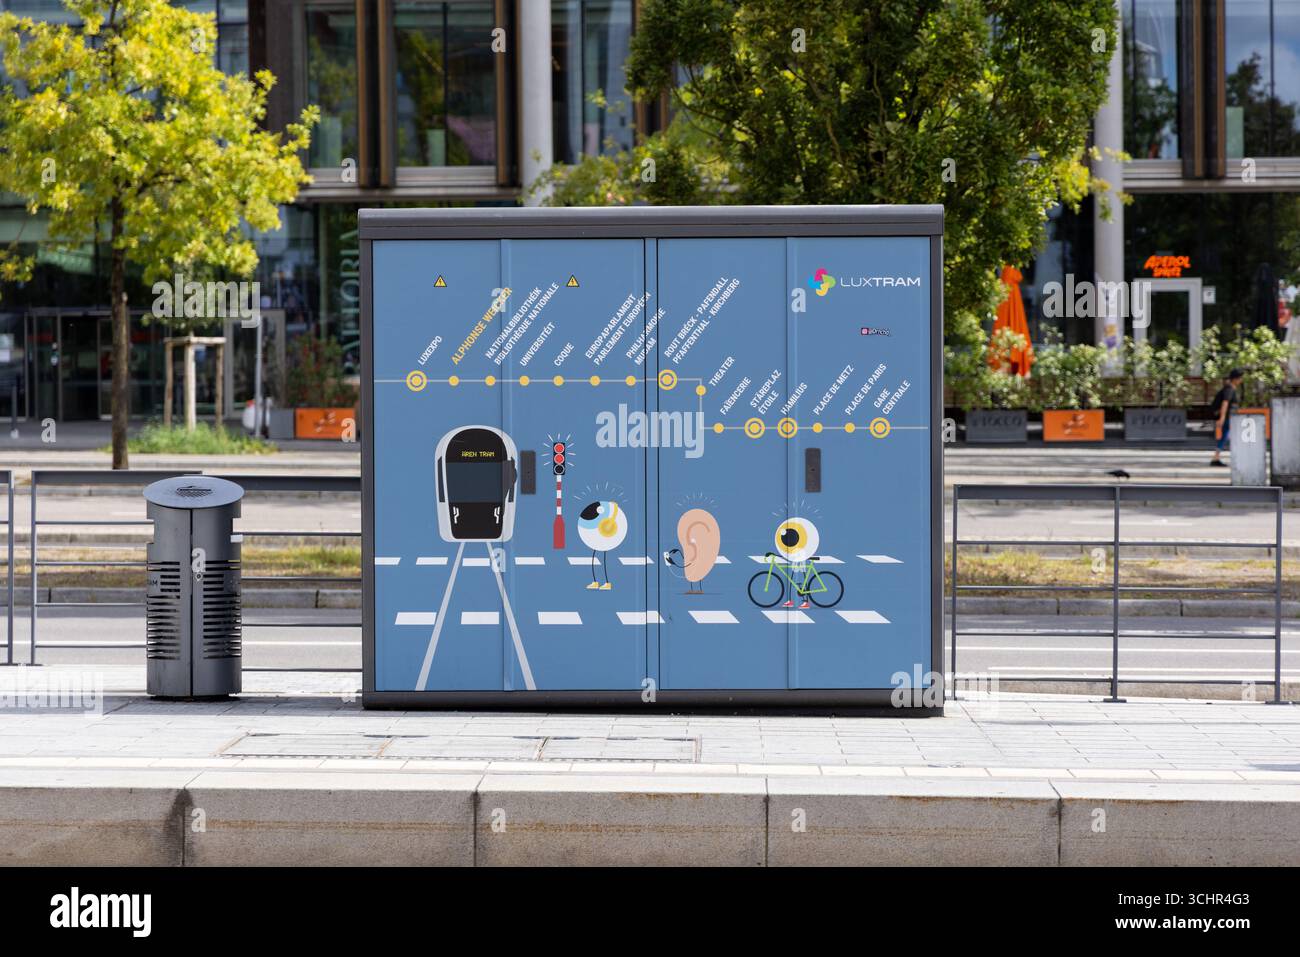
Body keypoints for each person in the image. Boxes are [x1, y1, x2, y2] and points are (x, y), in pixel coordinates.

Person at [1210, 369, 1244, 467]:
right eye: (1240, 378)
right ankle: (1216, 457)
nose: (1241, 380)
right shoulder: (1229, 389)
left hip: (1229, 417)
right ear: (1235, 379)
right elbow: (1225, 403)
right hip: (1227, 417)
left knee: (1226, 436)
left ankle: (1216, 457)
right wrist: (1222, 418)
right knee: (1226, 436)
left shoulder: (1230, 388)